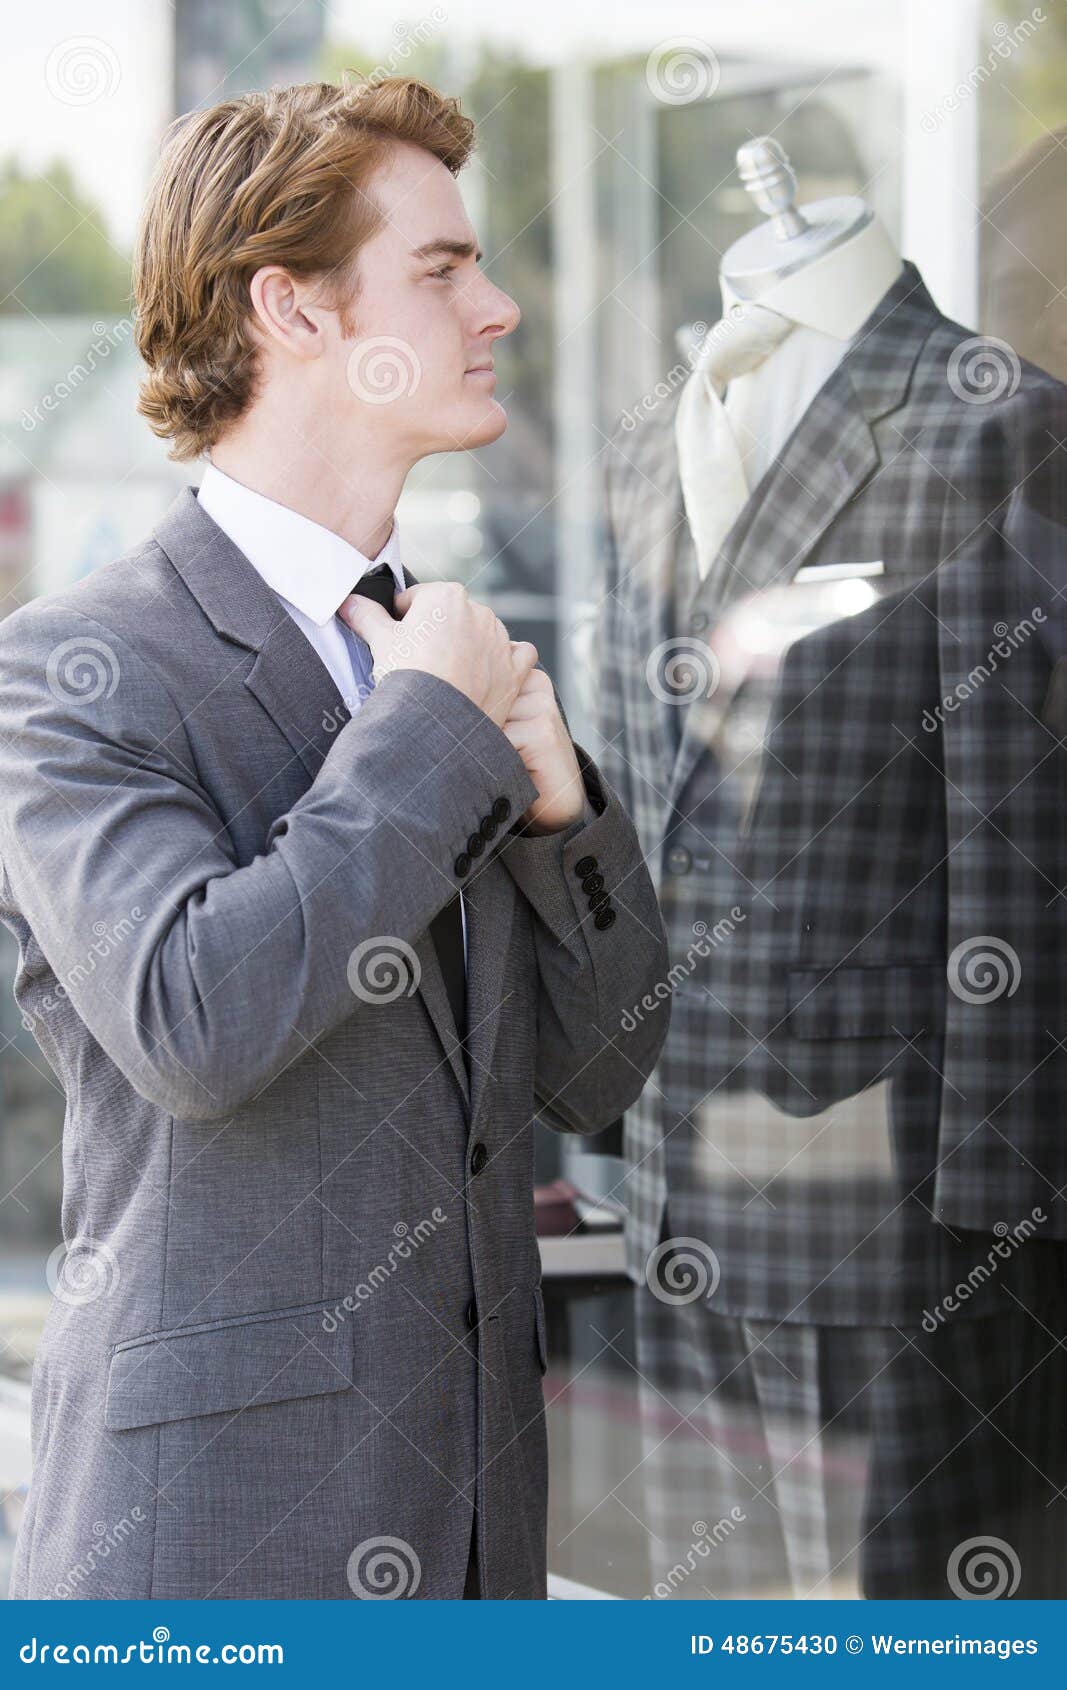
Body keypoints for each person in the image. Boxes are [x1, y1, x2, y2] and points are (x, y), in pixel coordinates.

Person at [0, 77, 669, 1601]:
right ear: (291, 310)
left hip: (481, 1535)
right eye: (442, 269)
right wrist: (431, 730)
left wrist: (567, 819)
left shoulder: (430, 647)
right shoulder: (68, 669)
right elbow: (198, 1018)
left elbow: (598, 1071)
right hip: (219, 1542)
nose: (496, 306)